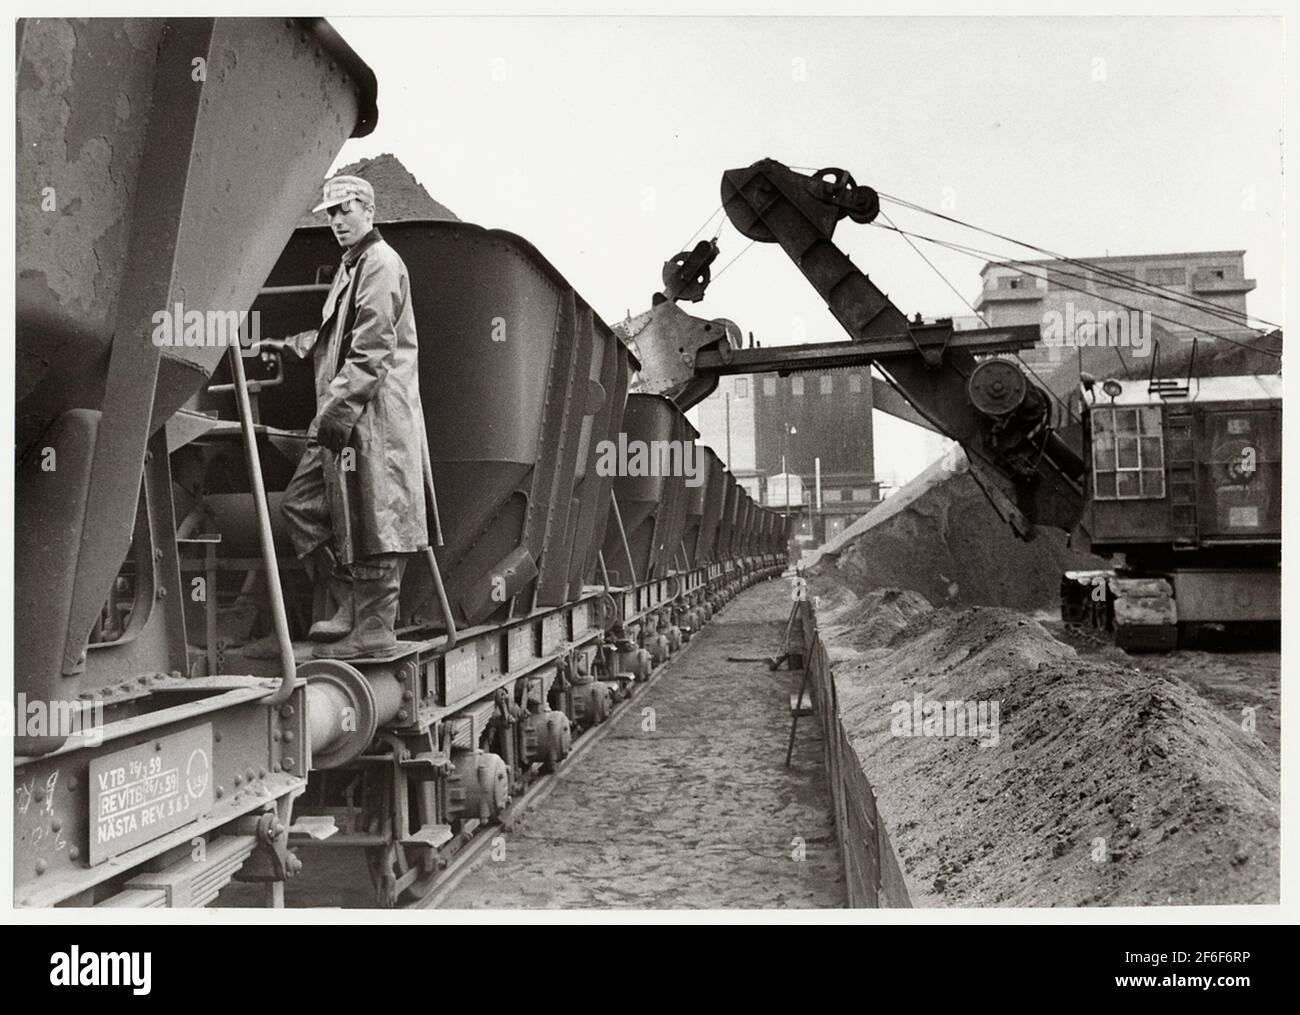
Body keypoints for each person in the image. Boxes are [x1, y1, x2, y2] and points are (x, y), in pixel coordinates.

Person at [278, 175, 428, 659]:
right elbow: (339, 335)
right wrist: (291, 344)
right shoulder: (354, 265)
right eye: (331, 213)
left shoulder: (381, 264)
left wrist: (332, 419)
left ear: (369, 209)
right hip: (351, 413)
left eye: (345, 209)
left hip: (373, 416)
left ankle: (375, 628)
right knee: (302, 506)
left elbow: (370, 349)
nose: (337, 220)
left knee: (379, 520)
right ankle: (347, 605)